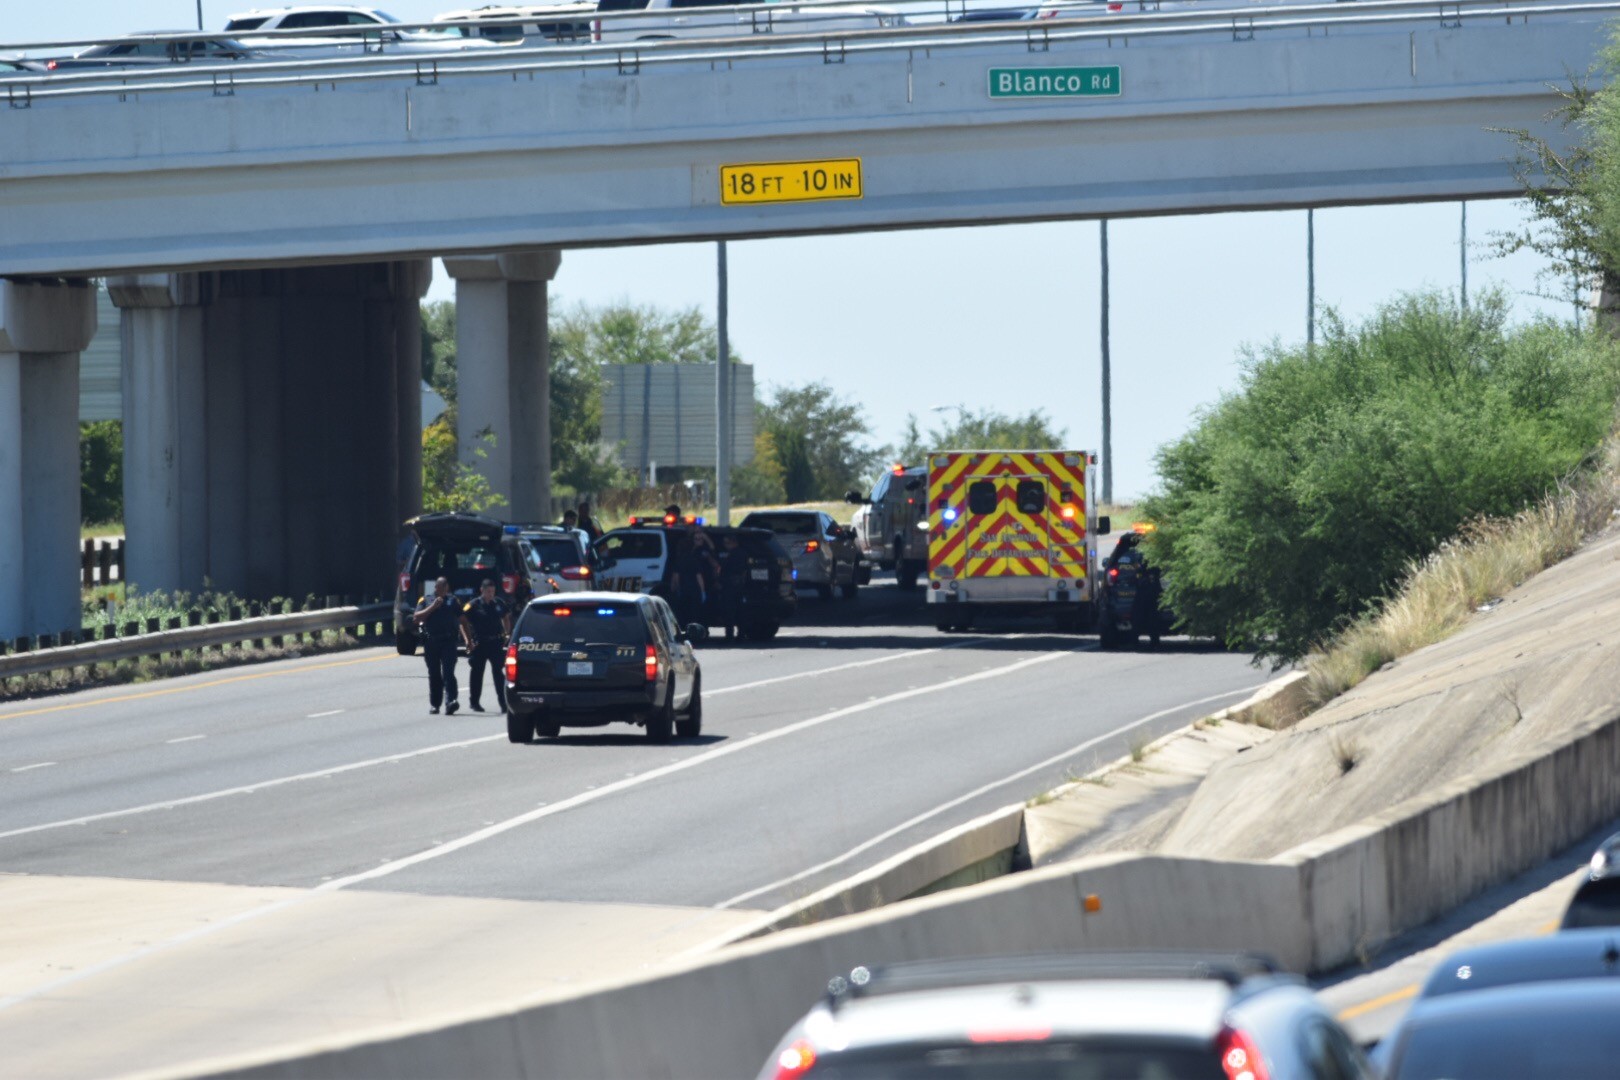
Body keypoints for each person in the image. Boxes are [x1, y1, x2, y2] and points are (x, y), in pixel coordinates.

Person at [460, 578, 513, 713]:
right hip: (480, 643)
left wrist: (507, 634)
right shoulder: (473, 605)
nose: (491, 594)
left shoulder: (498, 603)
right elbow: (462, 621)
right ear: (481, 590)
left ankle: (503, 703)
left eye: (492, 591)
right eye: (488, 591)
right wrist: (468, 640)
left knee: (498, 674)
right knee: (477, 673)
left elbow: (506, 617)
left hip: (495, 643)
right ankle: (474, 702)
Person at [412, 577, 461, 715]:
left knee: (448, 672)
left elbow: (462, 618)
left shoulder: (453, 601)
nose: (438, 590)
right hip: (431, 642)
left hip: (449, 642)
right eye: (437, 587)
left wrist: (468, 639)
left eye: (441, 587)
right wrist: (433, 607)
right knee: (434, 674)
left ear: (446, 588)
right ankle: (435, 704)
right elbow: (416, 618)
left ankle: (451, 701)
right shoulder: (426, 600)